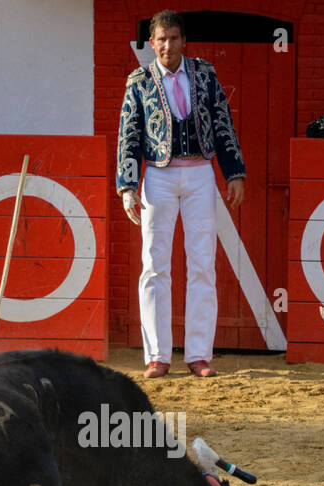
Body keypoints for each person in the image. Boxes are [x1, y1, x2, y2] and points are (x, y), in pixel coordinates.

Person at [116, 9, 246, 379]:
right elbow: (129, 134)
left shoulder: (205, 73)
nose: (168, 45)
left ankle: (198, 354)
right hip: (157, 176)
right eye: (161, 39)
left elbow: (222, 122)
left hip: (200, 174)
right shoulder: (138, 81)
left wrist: (234, 172)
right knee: (155, 265)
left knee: (202, 263)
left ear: (183, 41)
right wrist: (127, 186)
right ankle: (157, 355)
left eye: (174, 38)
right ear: (152, 43)